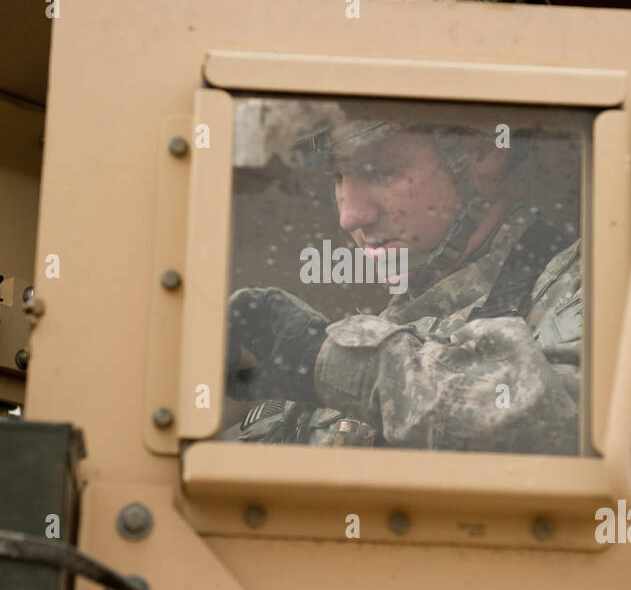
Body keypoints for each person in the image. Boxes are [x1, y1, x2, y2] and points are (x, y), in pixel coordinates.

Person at [225, 110, 583, 455]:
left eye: (380, 171)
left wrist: (331, 361)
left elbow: (572, 422)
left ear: (484, 151)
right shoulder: (382, 332)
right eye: (337, 177)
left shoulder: (593, 288)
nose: (350, 216)